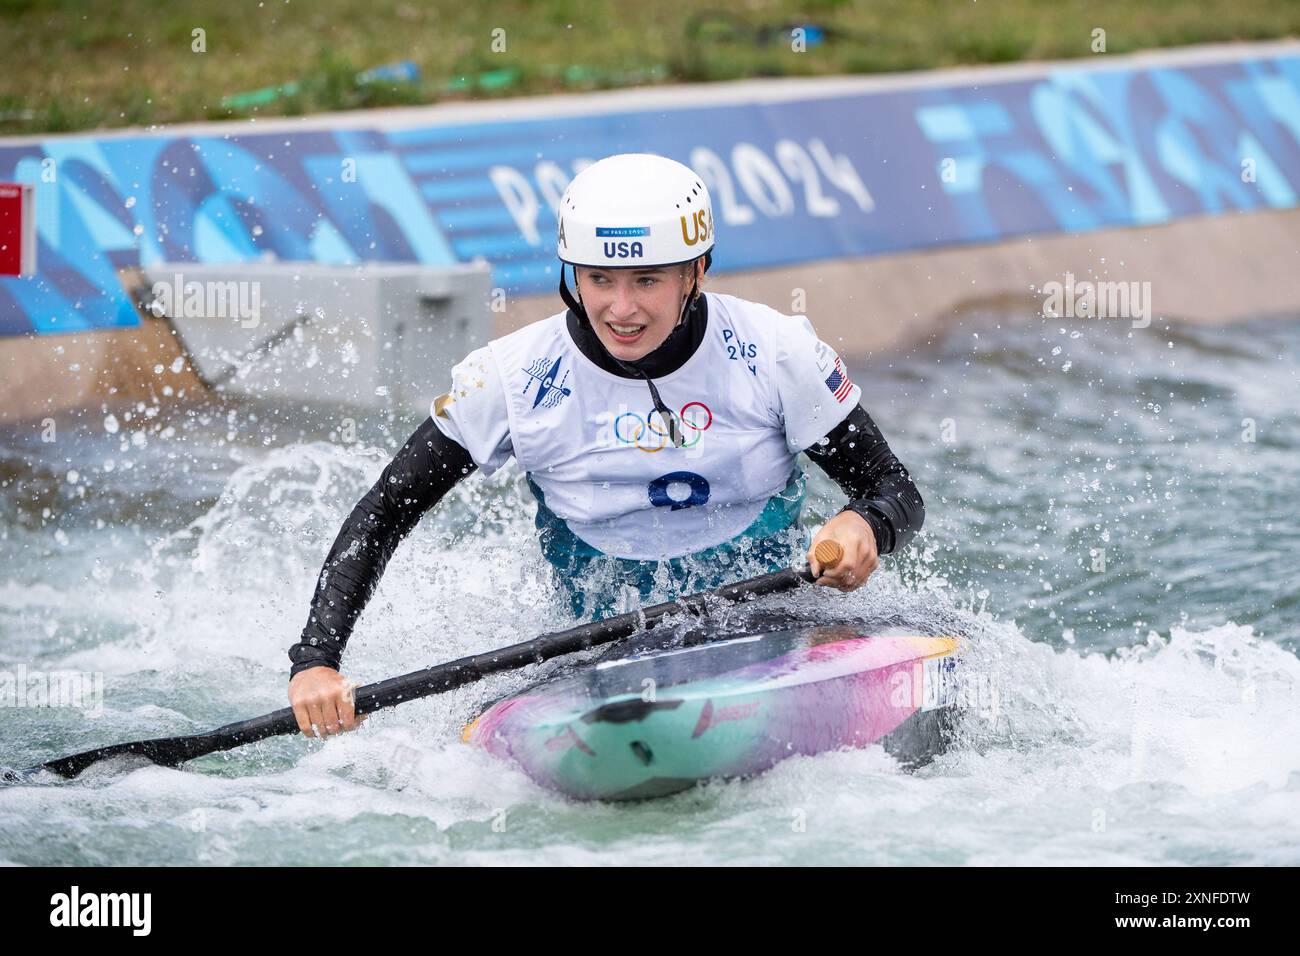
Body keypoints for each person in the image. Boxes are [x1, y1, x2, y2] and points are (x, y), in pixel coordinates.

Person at [286, 153, 924, 740]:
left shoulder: (776, 351)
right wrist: (317, 661)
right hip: (593, 647)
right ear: (573, 275)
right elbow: (387, 508)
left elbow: (895, 492)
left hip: (770, 620)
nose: (621, 309)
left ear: (695, 272)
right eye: (599, 279)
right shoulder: (510, 377)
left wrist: (865, 520)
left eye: (647, 280)